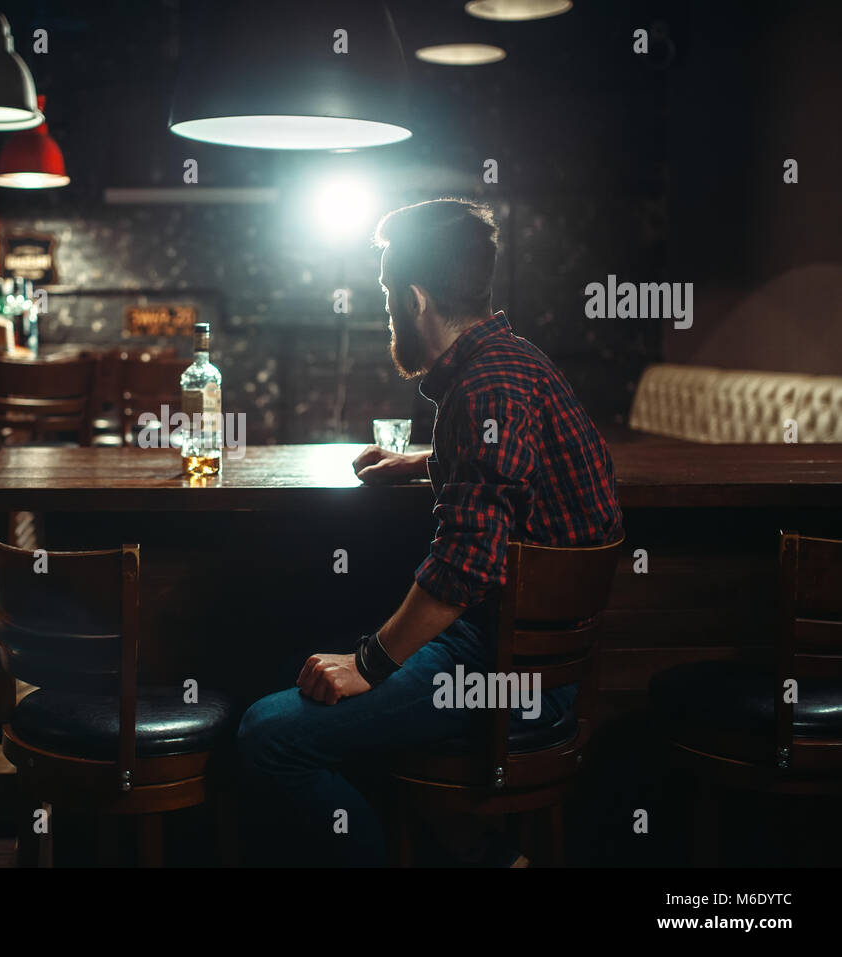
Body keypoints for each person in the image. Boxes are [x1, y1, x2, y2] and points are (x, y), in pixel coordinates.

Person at [237, 198, 623, 866]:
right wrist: (426, 461)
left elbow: (466, 567)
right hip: (524, 658)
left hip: (507, 676)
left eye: (388, 296)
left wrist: (368, 664)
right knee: (306, 649)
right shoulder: (513, 361)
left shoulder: (482, 389)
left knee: (268, 733)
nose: (386, 311)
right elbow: (510, 472)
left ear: (416, 299)